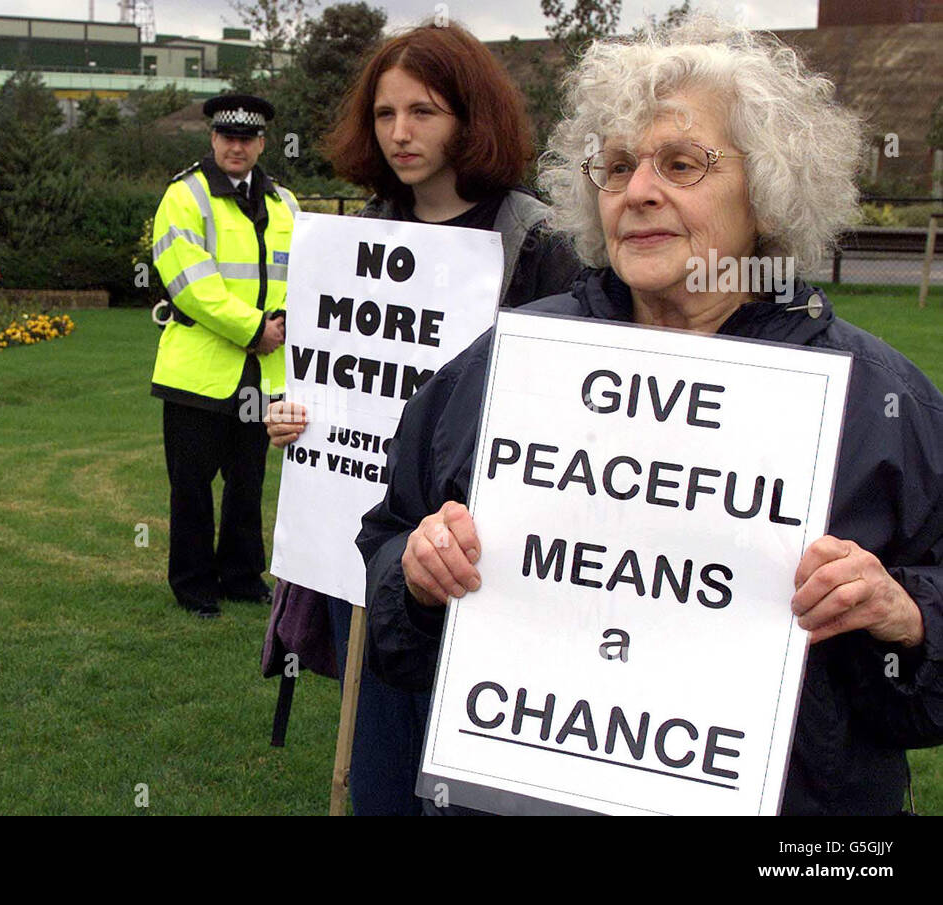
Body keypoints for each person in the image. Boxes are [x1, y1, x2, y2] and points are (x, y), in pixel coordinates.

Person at [357, 13, 943, 816]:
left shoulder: (882, 401)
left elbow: (922, 677)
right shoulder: (507, 367)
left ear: (768, 187)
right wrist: (415, 575)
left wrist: (906, 617)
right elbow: (391, 540)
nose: (638, 192)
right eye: (619, 165)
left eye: (682, 163)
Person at [263, 21, 583, 814]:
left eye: (425, 111)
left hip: (486, 556)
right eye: (384, 114)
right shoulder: (356, 237)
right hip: (368, 547)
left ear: (471, 117)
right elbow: (334, 376)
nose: (400, 133)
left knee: (468, 778)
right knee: (375, 772)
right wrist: (299, 416)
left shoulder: (538, 243)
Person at [150, 94, 301, 618]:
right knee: (191, 486)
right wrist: (256, 327)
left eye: (247, 138)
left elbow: (301, 273)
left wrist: (282, 324)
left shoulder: (284, 203)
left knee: (247, 481)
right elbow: (190, 284)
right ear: (213, 139)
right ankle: (194, 586)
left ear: (261, 144)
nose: (236, 147)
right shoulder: (184, 196)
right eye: (227, 137)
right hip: (197, 370)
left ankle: (241, 576)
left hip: (261, 370)